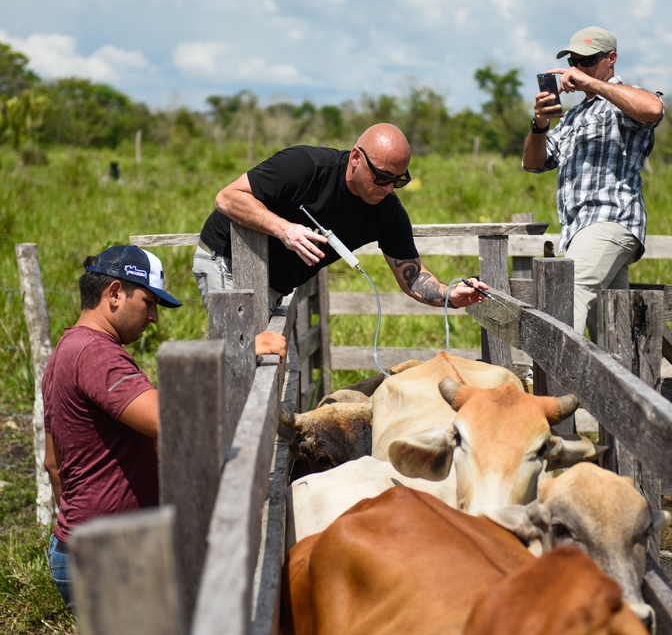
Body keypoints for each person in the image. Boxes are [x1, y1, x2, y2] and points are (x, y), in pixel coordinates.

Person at [193, 122, 489, 313]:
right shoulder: (305, 166)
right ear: (356, 158)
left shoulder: (388, 211)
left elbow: (413, 277)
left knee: (282, 373)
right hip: (230, 261)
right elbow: (228, 197)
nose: (388, 188)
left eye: (398, 180)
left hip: (276, 284)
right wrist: (284, 229)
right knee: (249, 362)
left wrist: (450, 294)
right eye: (382, 177)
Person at [41, 245, 184, 609]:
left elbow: (53, 464)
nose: (154, 317)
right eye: (148, 302)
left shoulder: (65, 351)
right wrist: (237, 357)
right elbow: (169, 421)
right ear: (115, 293)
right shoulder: (97, 353)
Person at [522, 26, 664, 340]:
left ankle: (553, 371)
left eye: (586, 61)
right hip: (578, 230)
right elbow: (534, 163)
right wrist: (540, 124)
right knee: (611, 335)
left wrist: (592, 83)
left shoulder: (623, 99)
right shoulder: (573, 116)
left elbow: (653, 109)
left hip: (610, 220)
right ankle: (621, 374)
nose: (577, 68)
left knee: (565, 292)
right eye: (573, 62)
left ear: (611, 59)